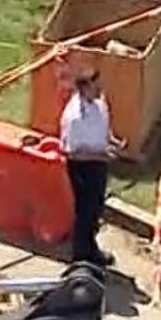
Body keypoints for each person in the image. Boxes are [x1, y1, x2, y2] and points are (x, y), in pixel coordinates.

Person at [58, 67, 120, 267]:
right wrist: (101, 155)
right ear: (84, 88)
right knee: (85, 212)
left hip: (99, 163)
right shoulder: (74, 117)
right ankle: (81, 257)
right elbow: (72, 152)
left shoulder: (100, 102)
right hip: (82, 168)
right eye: (96, 86)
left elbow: (104, 126)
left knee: (96, 209)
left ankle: (91, 249)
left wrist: (113, 141)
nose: (100, 89)